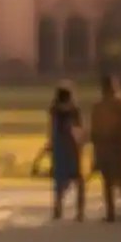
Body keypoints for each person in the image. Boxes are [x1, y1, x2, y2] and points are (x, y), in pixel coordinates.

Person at [89, 74, 121, 222]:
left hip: (106, 145)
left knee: (108, 180)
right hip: (120, 144)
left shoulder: (99, 106)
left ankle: (111, 212)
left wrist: (95, 151)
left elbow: (94, 131)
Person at [32, 83, 86, 221]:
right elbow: (79, 129)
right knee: (78, 180)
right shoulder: (74, 111)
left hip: (59, 147)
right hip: (71, 147)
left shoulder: (55, 111)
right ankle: (79, 212)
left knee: (59, 181)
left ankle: (58, 209)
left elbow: (53, 131)